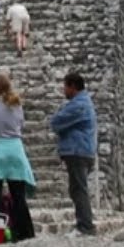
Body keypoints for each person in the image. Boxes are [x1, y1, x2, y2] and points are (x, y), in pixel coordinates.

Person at [0, 74, 36, 243]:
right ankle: (25, 233)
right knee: (18, 196)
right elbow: (21, 125)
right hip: (15, 150)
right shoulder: (16, 104)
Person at [50, 72, 96, 235]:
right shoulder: (83, 102)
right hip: (82, 150)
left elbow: (56, 122)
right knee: (77, 189)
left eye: (65, 86)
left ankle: (85, 226)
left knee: (79, 189)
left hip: (78, 151)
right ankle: (83, 223)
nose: (64, 90)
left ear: (73, 87)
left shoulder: (78, 105)